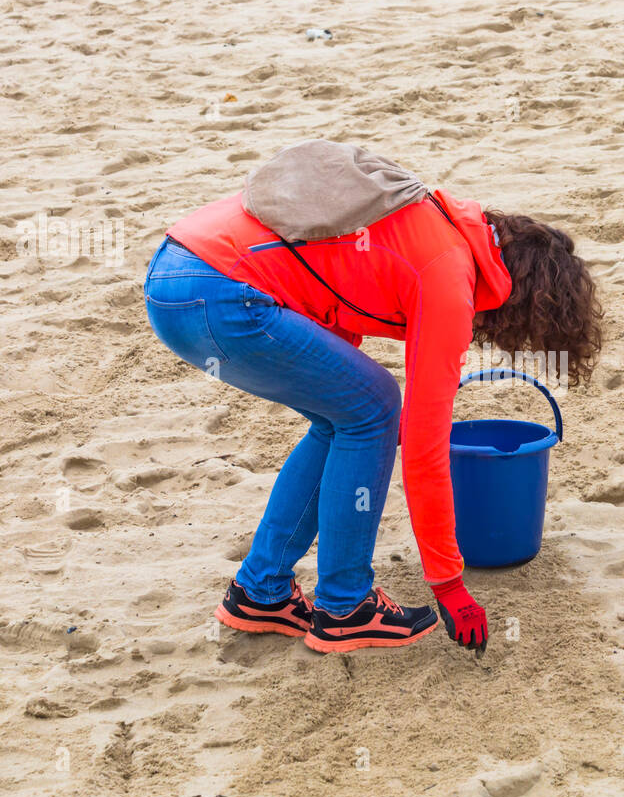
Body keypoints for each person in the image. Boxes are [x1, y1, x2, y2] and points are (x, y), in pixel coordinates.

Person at [144, 158, 601, 655]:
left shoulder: (436, 225)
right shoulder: (447, 272)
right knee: (376, 404)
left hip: (174, 275)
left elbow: (331, 285)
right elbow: (427, 452)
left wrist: (383, 426)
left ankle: (261, 593)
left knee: (346, 416)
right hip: (223, 294)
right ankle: (346, 608)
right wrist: (449, 584)